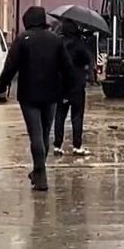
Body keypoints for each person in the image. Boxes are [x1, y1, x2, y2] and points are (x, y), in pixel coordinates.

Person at [0, 6, 76, 191]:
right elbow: (68, 68)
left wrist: (1, 87)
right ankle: (39, 171)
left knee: (36, 134)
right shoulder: (56, 40)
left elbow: (10, 67)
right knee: (45, 133)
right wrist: (67, 91)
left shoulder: (22, 40)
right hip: (52, 94)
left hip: (29, 95)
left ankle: (40, 175)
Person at [53, 19, 93, 156]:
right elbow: (88, 59)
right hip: (76, 87)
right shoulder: (79, 44)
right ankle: (77, 145)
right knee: (77, 116)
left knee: (59, 116)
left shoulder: (58, 44)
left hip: (61, 86)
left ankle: (57, 145)